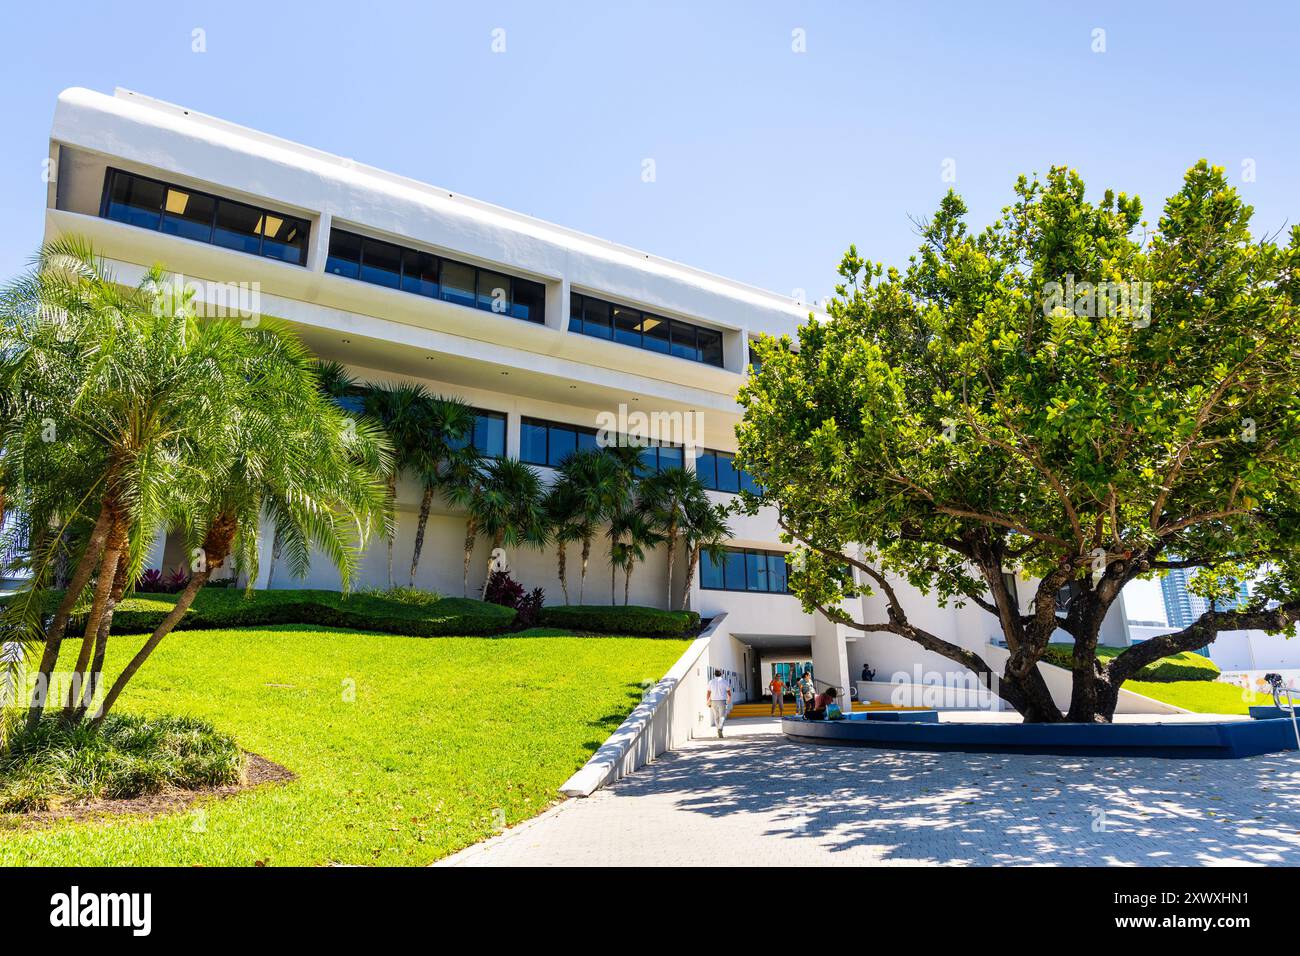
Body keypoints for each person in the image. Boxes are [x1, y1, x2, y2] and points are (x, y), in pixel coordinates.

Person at [706, 668, 732, 738]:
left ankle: (718, 729)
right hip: (722, 701)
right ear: (721, 674)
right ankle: (720, 728)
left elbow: (708, 692)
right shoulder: (724, 681)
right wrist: (729, 699)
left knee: (716, 716)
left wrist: (707, 701)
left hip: (713, 701)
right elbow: (729, 692)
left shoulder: (711, 682)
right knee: (722, 716)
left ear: (714, 674)